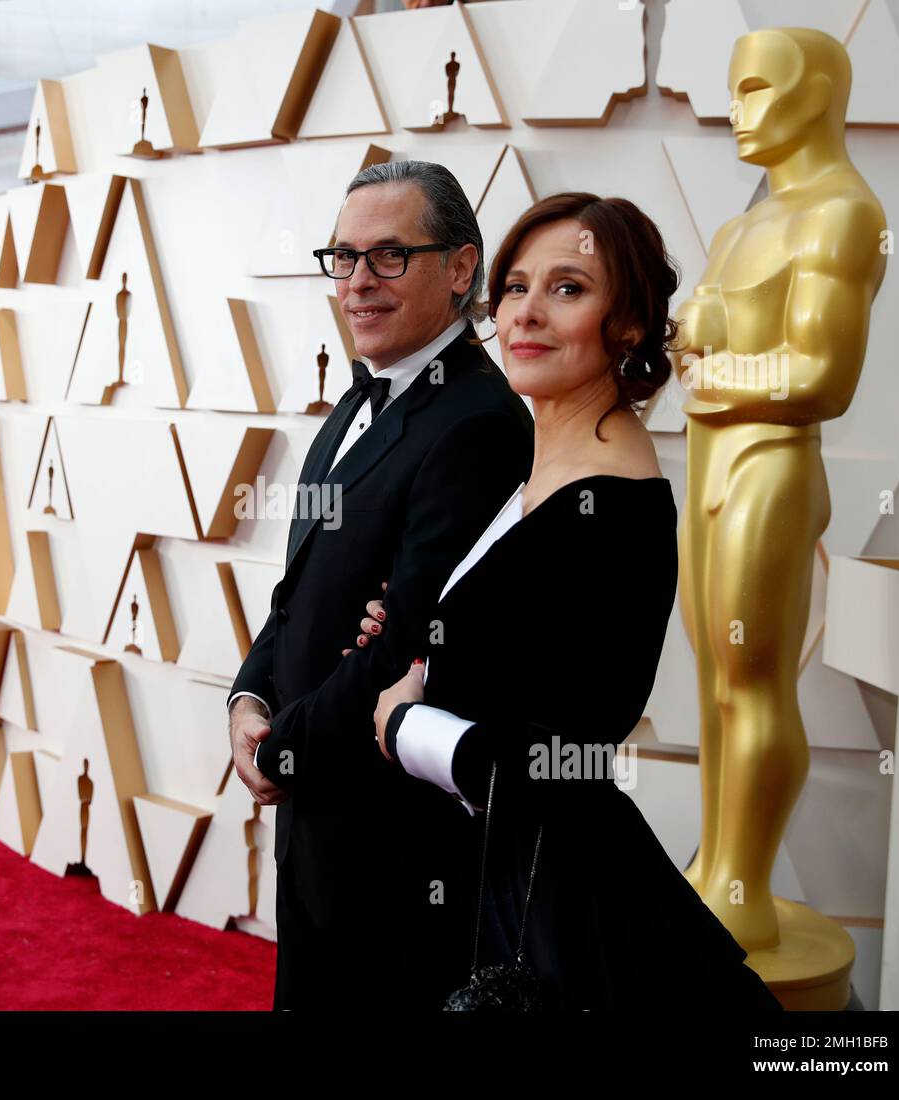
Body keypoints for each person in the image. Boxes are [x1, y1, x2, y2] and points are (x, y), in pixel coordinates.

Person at [366, 193, 783, 1010]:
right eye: (516, 286)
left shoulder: (617, 511)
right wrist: (425, 645)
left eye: (568, 288)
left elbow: (564, 759)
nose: (526, 313)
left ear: (625, 323)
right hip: (497, 880)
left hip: (566, 915)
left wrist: (402, 727)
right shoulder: (543, 465)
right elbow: (514, 647)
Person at [226, 160, 534, 1010]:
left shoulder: (478, 421)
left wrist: (281, 749)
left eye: (389, 257)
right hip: (313, 814)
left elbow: (405, 644)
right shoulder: (354, 400)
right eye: (345, 258)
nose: (358, 282)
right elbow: (300, 592)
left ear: (461, 268)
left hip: (393, 843)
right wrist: (247, 699)